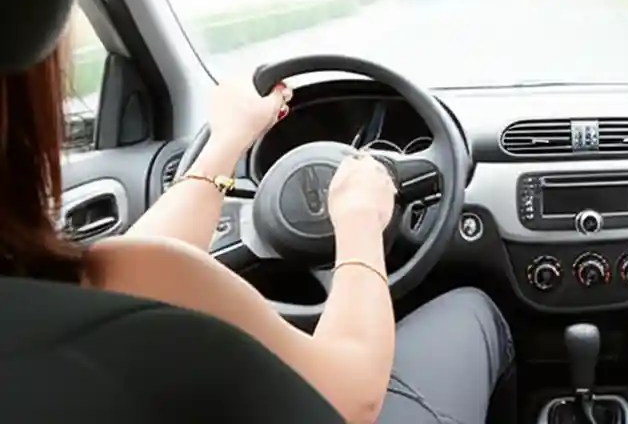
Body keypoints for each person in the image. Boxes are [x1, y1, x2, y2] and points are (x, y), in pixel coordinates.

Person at [0, 43, 514, 424]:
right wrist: (360, 219)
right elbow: (350, 397)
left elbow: (137, 271)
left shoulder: (64, 293)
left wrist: (228, 141)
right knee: (472, 311)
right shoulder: (109, 278)